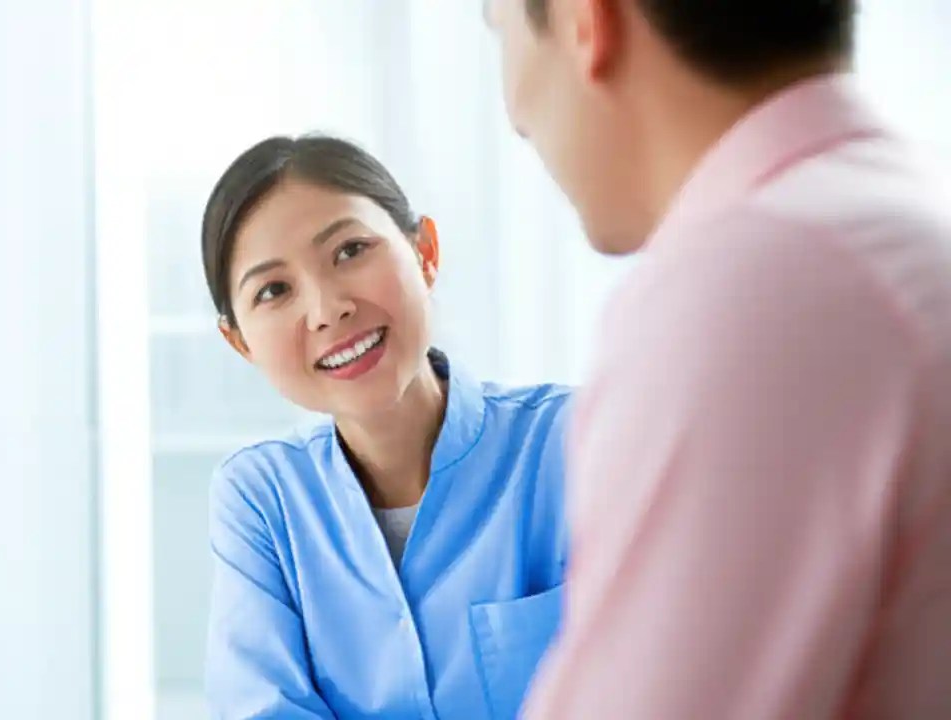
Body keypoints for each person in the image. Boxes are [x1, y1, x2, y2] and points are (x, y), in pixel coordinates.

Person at [482, 0, 951, 717]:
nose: (512, 108)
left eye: (498, 27)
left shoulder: (760, 283)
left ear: (584, 21)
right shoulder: (881, 226)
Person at [200, 134, 572, 719]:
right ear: (241, 342)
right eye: (274, 290)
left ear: (424, 251)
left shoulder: (572, 445)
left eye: (349, 251)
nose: (327, 310)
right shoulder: (262, 502)